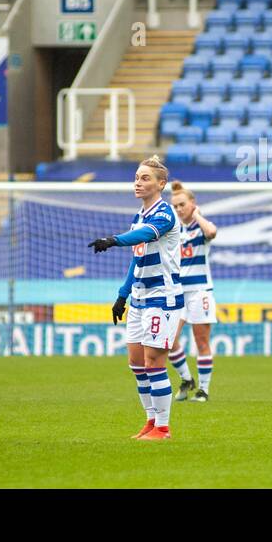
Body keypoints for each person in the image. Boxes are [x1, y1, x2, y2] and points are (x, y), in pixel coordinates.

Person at [88, 155, 183, 441]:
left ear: (160, 184)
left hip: (161, 298)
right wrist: (122, 295)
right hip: (140, 299)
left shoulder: (165, 214)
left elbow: (145, 235)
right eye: (136, 177)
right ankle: (150, 421)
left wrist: (114, 239)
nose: (138, 183)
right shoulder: (137, 217)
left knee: (154, 361)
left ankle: (163, 428)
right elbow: (137, 261)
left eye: (145, 178)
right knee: (136, 363)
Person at [166, 181, 218, 402]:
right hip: (178, 292)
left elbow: (212, 232)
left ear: (192, 204)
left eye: (182, 205)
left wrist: (197, 215)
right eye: (175, 206)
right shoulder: (173, 231)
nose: (178, 209)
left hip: (199, 292)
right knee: (168, 341)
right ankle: (187, 379)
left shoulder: (200, 227)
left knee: (201, 341)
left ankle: (203, 390)